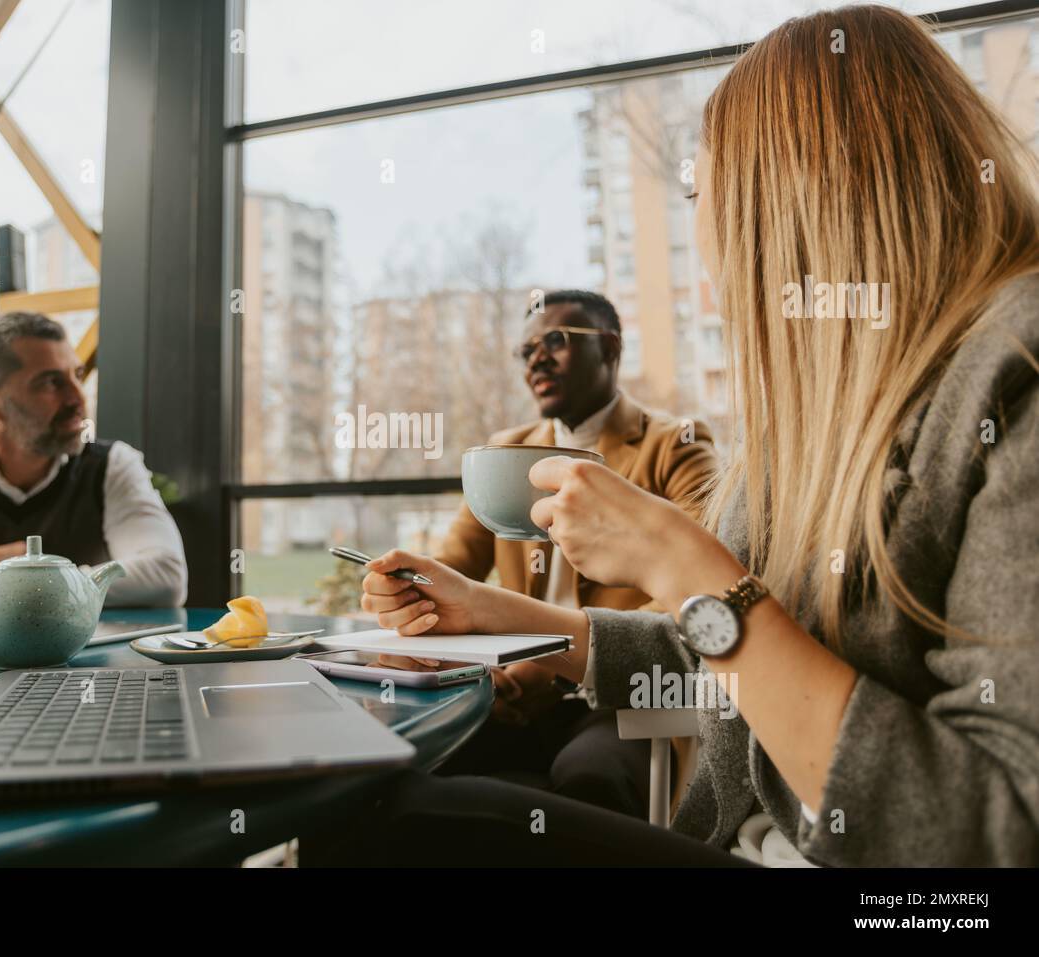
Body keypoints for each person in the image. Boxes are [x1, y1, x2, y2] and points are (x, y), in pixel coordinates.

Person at [306, 4, 1039, 866]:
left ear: (800, 195)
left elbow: (997, 831)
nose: (705, 236)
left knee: (388, 825)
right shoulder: (831, 418)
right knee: (380, 794)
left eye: (701, 192)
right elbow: (725, 650)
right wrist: (493, 614)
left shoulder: (1011, 369)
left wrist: (678, 560)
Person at [432, 289, 719, 818]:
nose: (536, 358)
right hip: (508, 695)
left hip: (620, 699)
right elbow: (449, 569)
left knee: (591, 782)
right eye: (526, 350)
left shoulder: (673, 444)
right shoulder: (504, 452)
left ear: (609, 349)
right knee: (400, 766)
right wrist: (414, 594)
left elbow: (703, 591)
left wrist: (556, 664)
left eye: (556, 341)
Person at [0, 311, 188, 607]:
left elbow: (166, 578)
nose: (78, 398)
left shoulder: (111, 465)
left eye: (76, 376)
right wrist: (75, 585)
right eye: (51, 383)